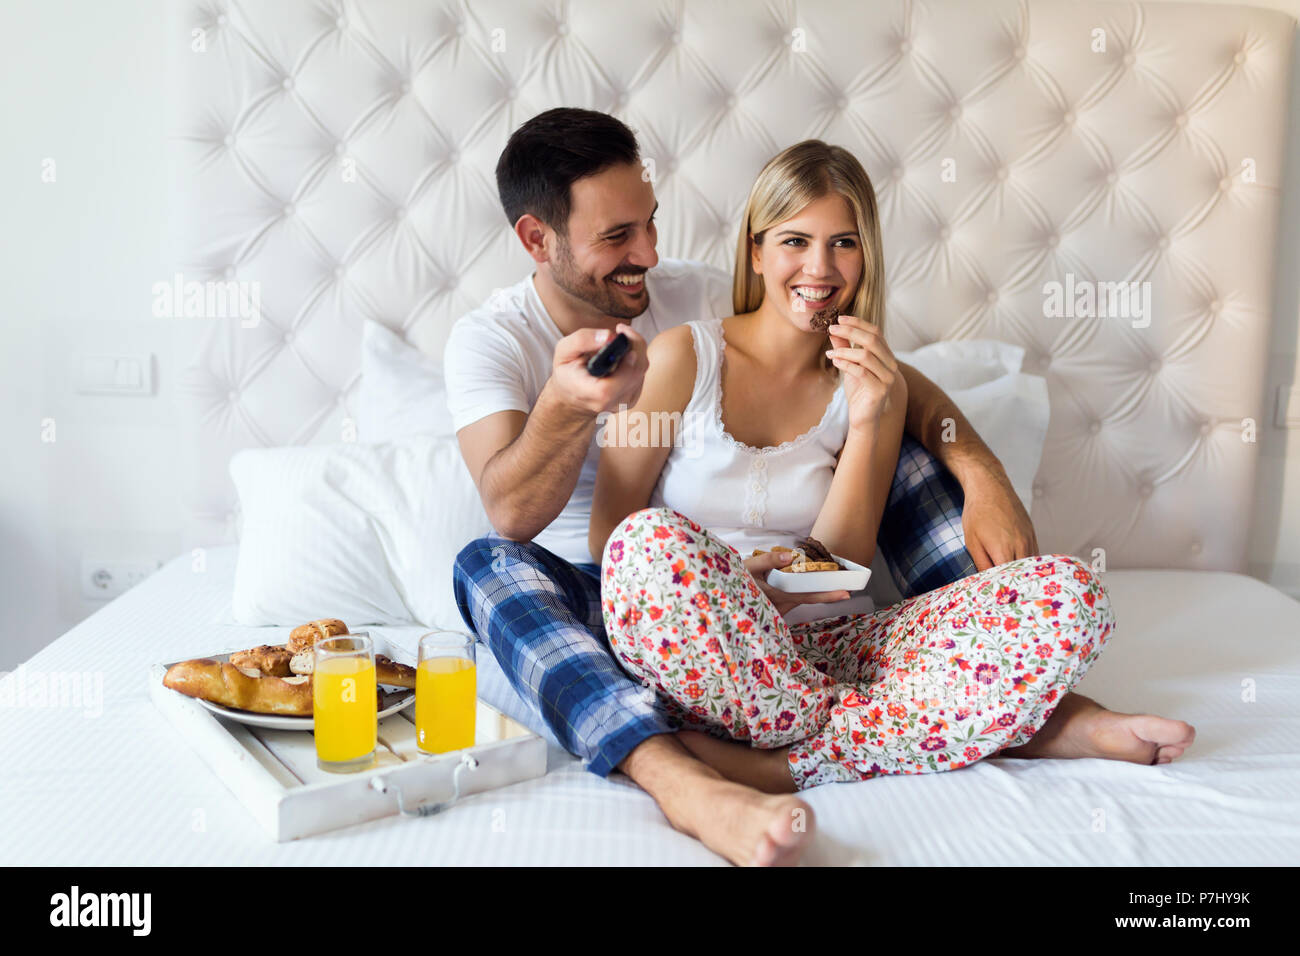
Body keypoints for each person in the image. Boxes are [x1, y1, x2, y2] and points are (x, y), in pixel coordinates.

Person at [447, 108, 1040, 866]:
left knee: (918, 456)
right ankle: (679, 776)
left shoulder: (703, 294)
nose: (650, 255)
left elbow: (896, 387)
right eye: (618, 236)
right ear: (538, 239)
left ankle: (962, 668)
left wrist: (982, 471)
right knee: (487, 566)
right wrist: (570, 405)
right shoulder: (492, 341)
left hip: (799, 606)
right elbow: (510, 510)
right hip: (629, 597)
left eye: (651, 224)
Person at [589, 138, 1197, 794]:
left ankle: (798, 756)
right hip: (704, 649)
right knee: (648, 545)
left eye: (843, 243)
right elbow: (610, 544)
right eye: (795, 240)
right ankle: (961, 726)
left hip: (826, 650)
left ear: (866, 254)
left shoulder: (869, 385)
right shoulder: (685, 356)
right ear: (757, 252)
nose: (819, 267)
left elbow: (843, 569)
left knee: (1069, 593)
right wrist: (737, 586)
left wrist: (877, 414)